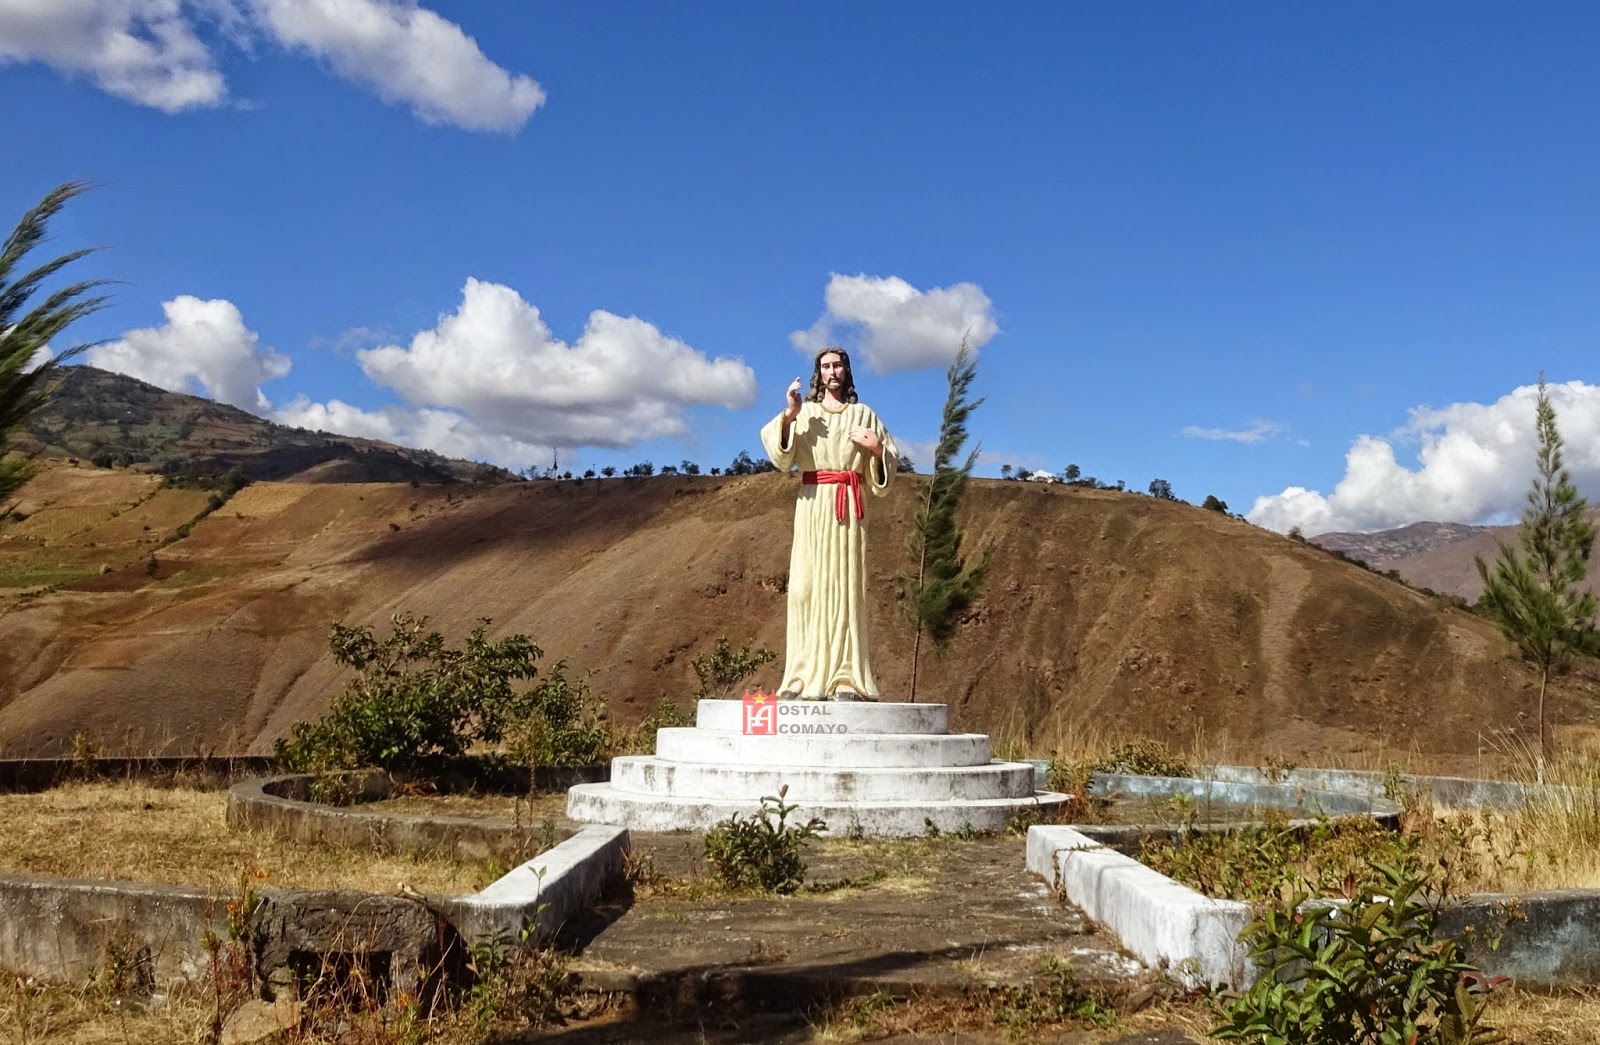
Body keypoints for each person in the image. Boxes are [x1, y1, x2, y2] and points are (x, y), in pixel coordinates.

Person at [759, 347, 899, 699]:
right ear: (817, 373)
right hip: (812, 504)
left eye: (837, 365)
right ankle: (801, 674)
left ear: (847, 371)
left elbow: (885, 474)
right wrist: (790, 417)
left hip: (848, 507)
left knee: (844, 588)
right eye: (825, 366)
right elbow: (781, 458)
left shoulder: (863, 414)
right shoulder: (805, 413)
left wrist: (877, 449)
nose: (832, 371)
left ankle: (845, 678)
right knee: (805, 589)